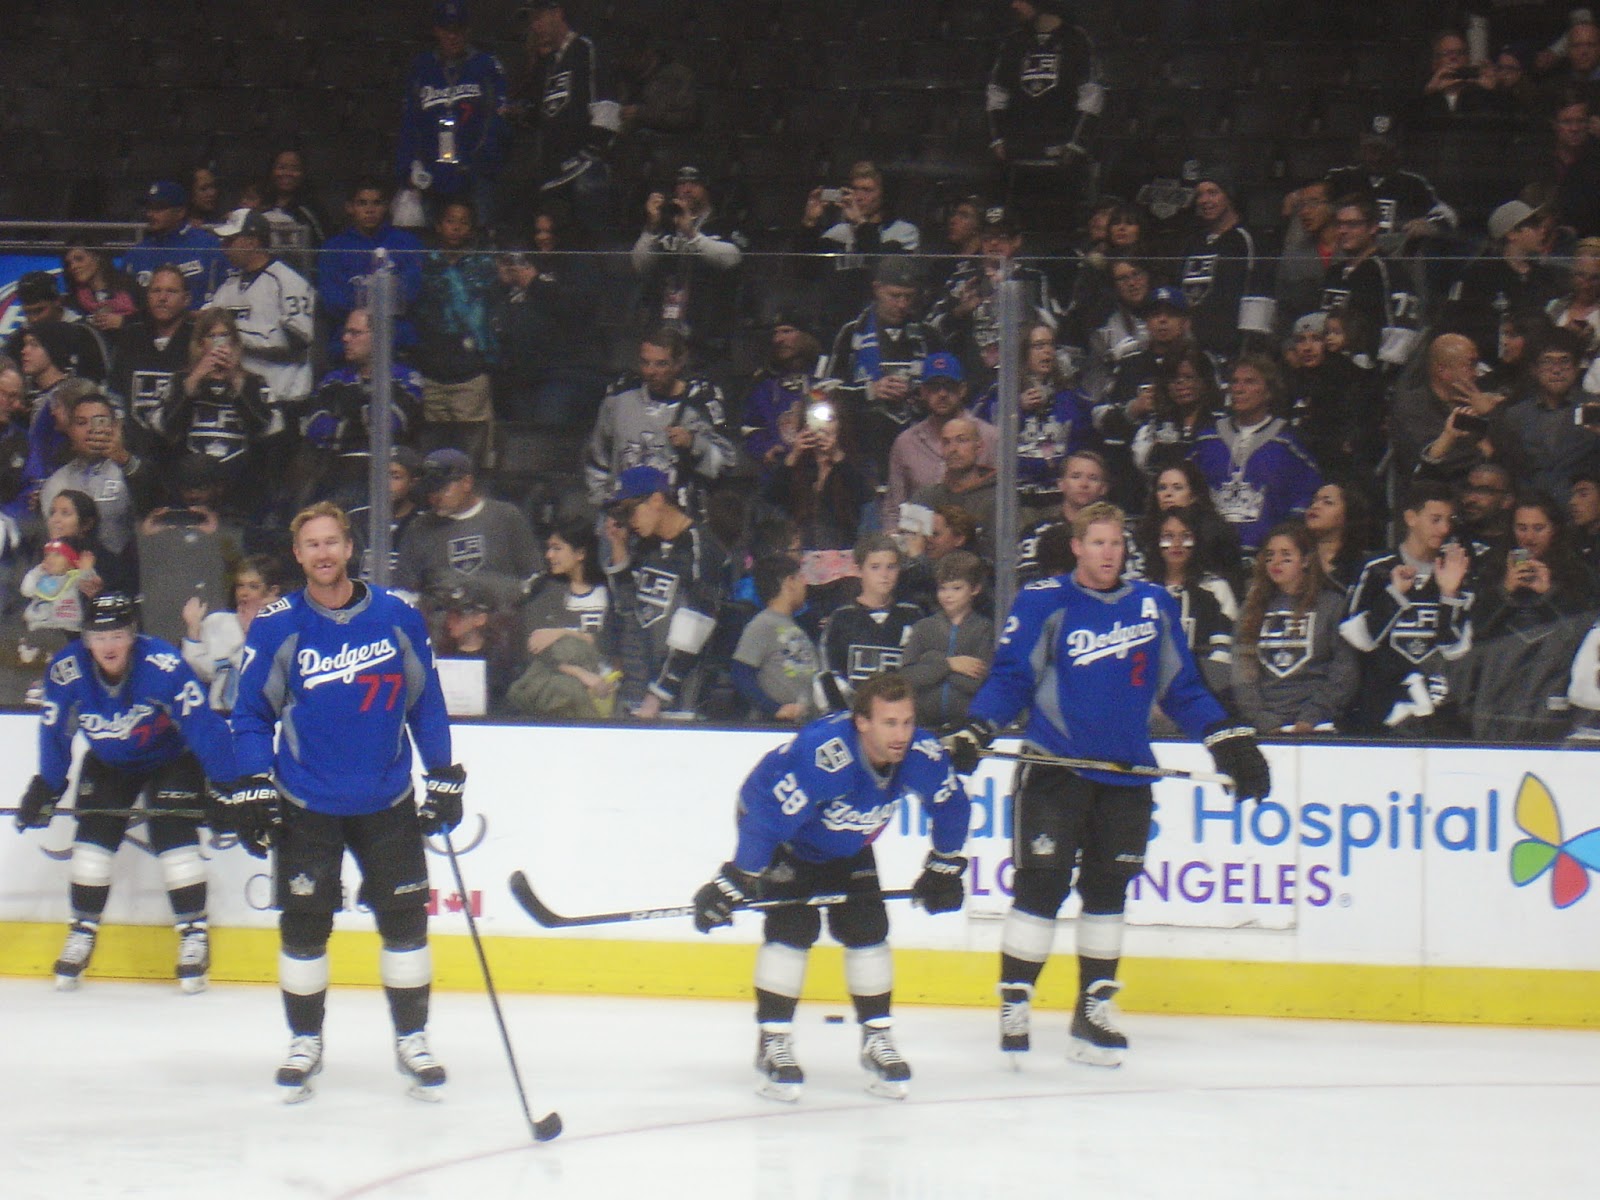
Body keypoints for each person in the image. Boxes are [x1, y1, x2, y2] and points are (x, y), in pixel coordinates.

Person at [944, 501, 1269, 1066]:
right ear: (1077, 546)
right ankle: (1015, 1001)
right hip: (1055, 769)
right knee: (1041, 887)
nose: (1107, 553)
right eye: (1096, 543)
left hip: (1127, 775)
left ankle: (1092, 1013)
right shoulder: (1045, 601)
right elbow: (1013, 677)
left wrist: (1228, 739)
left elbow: (1183, 687)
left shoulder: (1152, 604)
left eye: (1115, 543)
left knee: (1108, 891)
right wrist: (978, 726)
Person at [222, 501, 466, 1102]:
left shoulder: (396, 617)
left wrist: (445, 775)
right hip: (307, 800)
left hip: (387, 798)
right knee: (305, 925)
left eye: (333, 542)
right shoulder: (278, 624)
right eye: (312, 545)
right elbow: (252, 713)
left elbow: (425, 703)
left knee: (406, 921)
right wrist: (254, 783)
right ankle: (305, 1041)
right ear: (298, 553)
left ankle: (413, 1039)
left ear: (350, 547)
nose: (324, 553)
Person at [690, 671, 971, 1102]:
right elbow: (767, 821)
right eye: (888, 723)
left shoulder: (920, 753)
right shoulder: (825, 758)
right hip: (783, 836)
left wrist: (944, 866)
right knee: (792, 929)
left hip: (846, 842)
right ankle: (774, 1041)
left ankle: (877, 1038)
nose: (901, 735)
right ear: (862, 723)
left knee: (868, 927)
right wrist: (738, 879)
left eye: (907, 722)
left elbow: (951, 806)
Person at [14, 592, 238, 993]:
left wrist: (226, 784)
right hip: (109, 761)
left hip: (171, 758)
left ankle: (192, 935)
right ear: (85, 639)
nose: (109, 645)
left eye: (117, 635)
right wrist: (47, 785)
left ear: (133, 635)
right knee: (90, 851)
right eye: (99, 637)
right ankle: (82, 929)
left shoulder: (164, 665)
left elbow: (203, 726)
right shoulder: (66, 671)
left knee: (176, 845)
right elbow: (55, 734)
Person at [1453, 495, 1598, 742]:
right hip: (1496, 698)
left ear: (1555, 530)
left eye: (1538, 529)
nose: (1529, 538)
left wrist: (1549, 594)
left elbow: (1586, 635)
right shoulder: (1492, 569)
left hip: (1552, 698)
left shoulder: (1578, 573)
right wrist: (1505, 590)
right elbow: (1474, 633)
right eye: (1522, 528)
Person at [1339, 481, 1474, 735]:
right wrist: (1394, 596)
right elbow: (1358, 640)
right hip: (1379, 710)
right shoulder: (1376, 568)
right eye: (1435, 519)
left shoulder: (1457, 569)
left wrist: (1449, 595)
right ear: (1411, 518)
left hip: (1439, 713)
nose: (1445, 528)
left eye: (1449, 520)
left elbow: (1455, 651)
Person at [602, 464, 729, 719]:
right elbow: (627, 609)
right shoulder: (646, 547)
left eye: (630, 511)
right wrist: (618, 547)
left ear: (657, 500)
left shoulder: (701, 549)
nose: (629, 521)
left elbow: (696, 628)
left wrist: (658, 694)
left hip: (682, 700)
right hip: (637, 690)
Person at [1232, 522, 1359, 733]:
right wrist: (1262, 719)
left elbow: (1345, 669)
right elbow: (1242, 671)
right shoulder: (1251, 608)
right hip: (1263, 726)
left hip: (1319, 724)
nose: (1276, 562)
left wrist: (1312, 717)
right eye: (1270, 555)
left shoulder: (1333, 604)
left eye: (1286, 554)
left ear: (1307, 559)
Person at [1188, 355, 1322, 554]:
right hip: (1210, 555)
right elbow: (1186, 486)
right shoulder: (1207, 440)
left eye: (1250, 382)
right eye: (1235, 382)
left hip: (1265, 559)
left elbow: (1307, 493)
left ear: (1269, 391)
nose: (1239, 389)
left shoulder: (1287, 443)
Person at [396, 1, 510, 230]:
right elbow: (410, 121)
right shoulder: (422, 67)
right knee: (429, 238)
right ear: (436, 30)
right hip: (432, 170)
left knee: (482, 233)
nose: (453, 36)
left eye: (458, 30)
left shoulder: (486, 65)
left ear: (467, 31)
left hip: (476, 171)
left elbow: (497, 119)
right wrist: (409, 165)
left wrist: (478, 161)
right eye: (447, 29)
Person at [394, 448, 541, 609]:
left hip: (500, 622)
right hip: (441, 624)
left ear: (467, 482)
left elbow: (533, 578)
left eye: (443, 489)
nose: (435, 497)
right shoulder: (419, 527)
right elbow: (405, 591)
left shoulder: (505, 516)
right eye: (431, 490)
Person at [507, 516, 616, 720]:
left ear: (581, 553)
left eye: (557, 548)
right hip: (558, 696)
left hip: (608, 689)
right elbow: (536, 650)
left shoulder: (607, 592)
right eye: (548, 548)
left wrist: (562, 633)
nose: (549, 555)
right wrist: (583, 675)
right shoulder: (544, 593)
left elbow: (611, 644)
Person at [819, 533, 923, 707]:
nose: (884, 574)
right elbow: (829, 673)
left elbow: (924, 670)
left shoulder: (913, 615)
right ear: (859, 570)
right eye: (875, 567)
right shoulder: (841, 618)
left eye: (891, 567)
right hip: (854, 716)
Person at [900, 550, 993, 731]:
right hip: (922, 725)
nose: (948, 595)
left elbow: (976, 682)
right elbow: (907, 677)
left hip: (966, 726)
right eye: (942, 588)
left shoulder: (984, 628)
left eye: (956, 588)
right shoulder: (923, 627)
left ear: (975, 589)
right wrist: (949, 664)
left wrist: (929, 661)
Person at [180, 554, 284, 714]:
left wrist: (254, 631)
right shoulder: (218, 622)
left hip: (265, 718)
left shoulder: (285, 625)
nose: (243, 593)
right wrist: (194, 628)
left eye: (253, 586)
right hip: (220, 716)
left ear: (273, 591)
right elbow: (202, 672)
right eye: (240, 586)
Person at [731, 553, 820, 723]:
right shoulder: (763, 624)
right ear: (789, 582)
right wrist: (774, 709)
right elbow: (740, 672)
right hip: (775, 726)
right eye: (800, 578)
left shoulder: (793, 625)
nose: (805, 585)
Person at [122, 180, 223, 309]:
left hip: (199, 325)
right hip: (147, 326)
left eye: (159, 208)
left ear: (180, 212)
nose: (150, 214)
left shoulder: (207, 245)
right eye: (148, 208)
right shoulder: (137, 252)